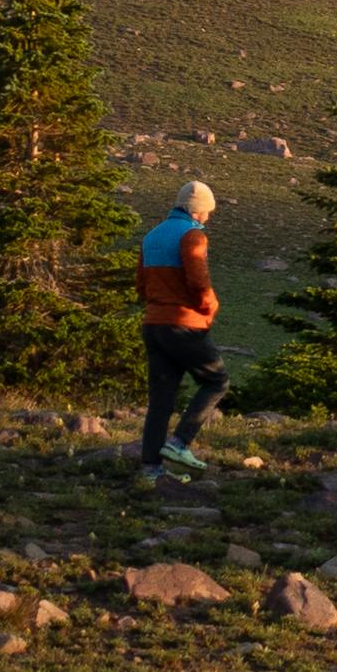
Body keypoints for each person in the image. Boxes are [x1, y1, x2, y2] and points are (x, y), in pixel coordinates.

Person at [136, 173, 225, 476]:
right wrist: (210, 306)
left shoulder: (152, 236)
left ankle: (150, 470)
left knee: (161, 399)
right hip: (184, 324)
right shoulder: (192, 235)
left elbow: (141, 286)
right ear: (196, 209)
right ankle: (180, 441)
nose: (209, 216)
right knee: (216, 380)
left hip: (153, 325)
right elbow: (198, 280)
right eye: (208, 210)